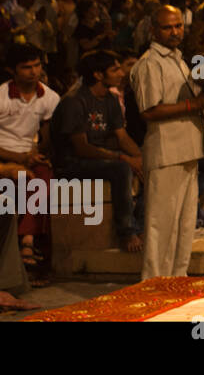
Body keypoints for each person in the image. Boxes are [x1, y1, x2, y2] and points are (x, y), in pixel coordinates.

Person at [131, 5, 204, 279]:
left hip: (188, 148)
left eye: (178, 25)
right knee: (160, 225)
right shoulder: (149, 63)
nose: (175, 31)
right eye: (168, 27)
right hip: (166, 150)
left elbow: (197, 90)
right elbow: (149, 111)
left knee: (184, 223)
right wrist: (196, 103)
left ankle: (177, 280)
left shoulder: (180, 59)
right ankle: (153, 283)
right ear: (153, 30)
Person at [51, 50, 144, 252]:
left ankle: (143, 226)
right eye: (115, 69)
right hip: (70, 162)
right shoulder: (74, 101)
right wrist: (124, 158)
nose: (121, 74)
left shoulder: (110, 98)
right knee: (121, 169)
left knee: (148, 164)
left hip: (101, 155)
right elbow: (81, 148)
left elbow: (122, 137)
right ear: (98, 75)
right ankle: (127, 231)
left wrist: (140, 157)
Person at [0, 44, 60, 281]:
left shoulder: (50, 97)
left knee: (42, 182)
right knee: (21, 183)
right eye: (26, 67)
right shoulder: (2, 96)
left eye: (37, 66)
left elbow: (47, 135)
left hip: (30, 156)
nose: (33, 72)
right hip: (5, 156)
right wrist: (18, 160)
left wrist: (37, 154)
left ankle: (28, 240)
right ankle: (26, 245)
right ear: (11, 70)